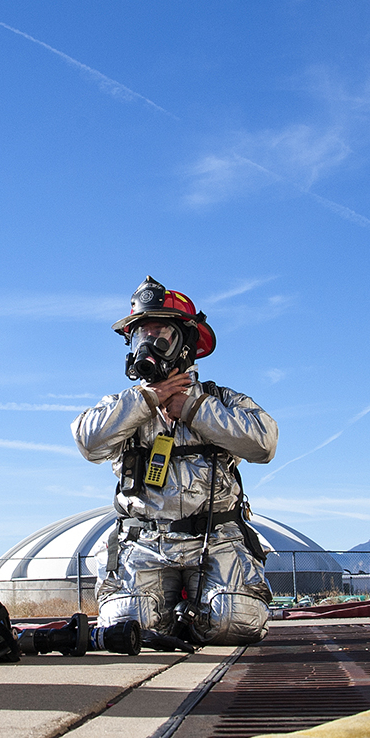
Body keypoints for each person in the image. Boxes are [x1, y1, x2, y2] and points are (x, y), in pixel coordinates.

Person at [74, 277, 279, 647]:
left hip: (216, 538)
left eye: (160, 335)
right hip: (144, 541)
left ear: (184, 343)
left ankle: (200, 613)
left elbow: (263, 444)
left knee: (235, 623)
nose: (148, 346)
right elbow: (89, 442)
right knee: (131, 627)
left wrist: (194, 409)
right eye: (140, 336)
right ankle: (171, 617)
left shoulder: (221, 401)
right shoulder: (123, 405)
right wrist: (145, 402)